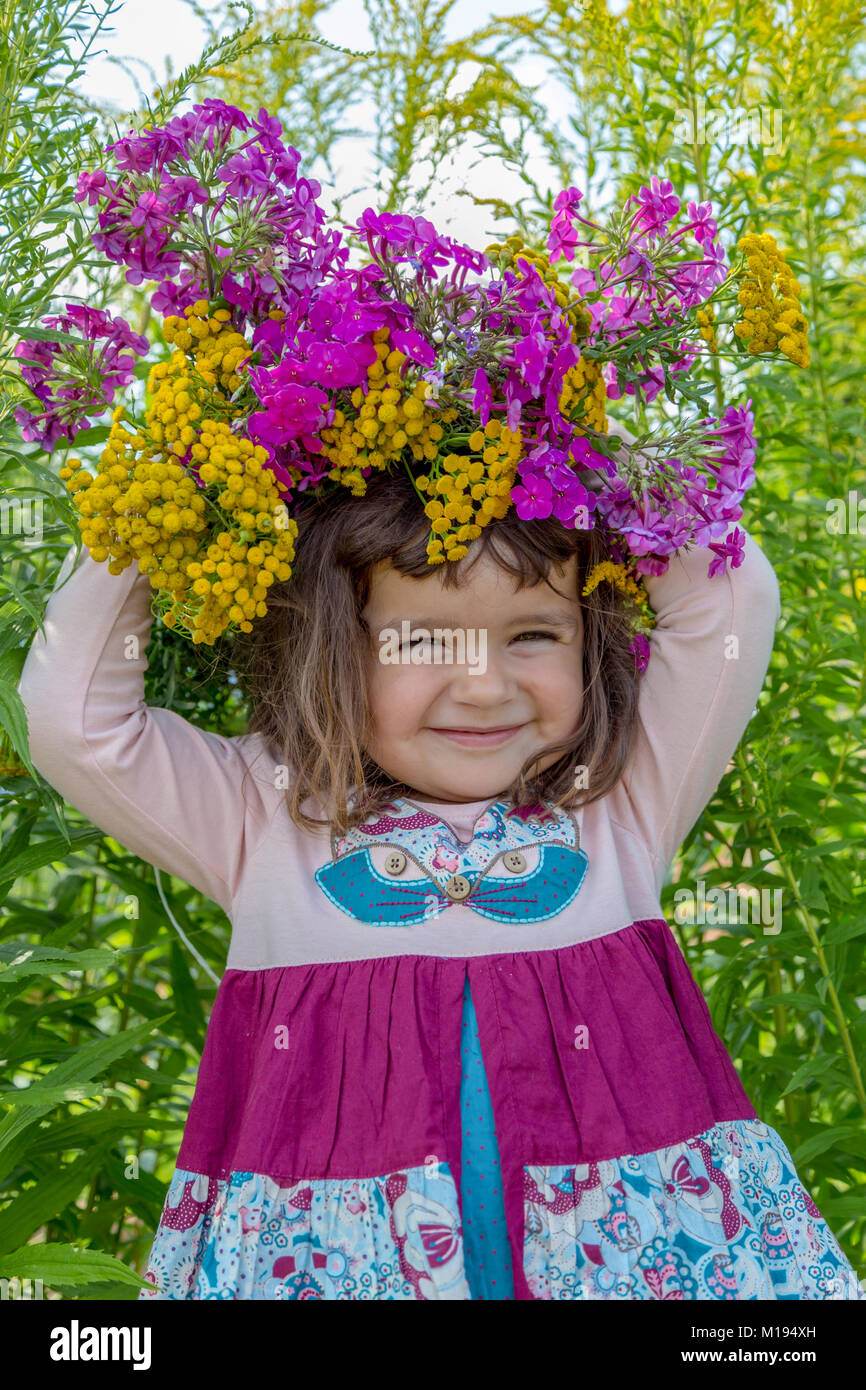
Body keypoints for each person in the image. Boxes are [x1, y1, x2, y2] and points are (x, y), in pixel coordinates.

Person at [17, 464, 864, 1302]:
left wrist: (563, 428)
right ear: (332, 646)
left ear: (589, 637)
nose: (486, 687)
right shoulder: (262, 817)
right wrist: (163, 488)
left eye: (533, 634)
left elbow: (731, 597)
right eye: (422, 642)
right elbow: (72, 718)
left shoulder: (620, 803)